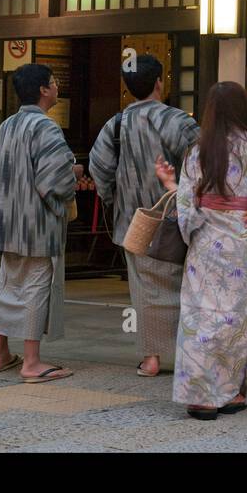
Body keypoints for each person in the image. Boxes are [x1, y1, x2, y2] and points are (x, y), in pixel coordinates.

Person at [157, 81, 247, 419]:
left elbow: (187, 199)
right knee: (238, 317)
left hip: (207, 240)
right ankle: (233, 392)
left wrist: (193, 222)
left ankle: (201, 396)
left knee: (200, 314)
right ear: (243, 108)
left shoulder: (200, 149)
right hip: (244, 239)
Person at [89, 52, 198, 377]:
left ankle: (151, 358)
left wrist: (114, 198)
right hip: (175, 219)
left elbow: (99, 167)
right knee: (183, 288)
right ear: (159, 83)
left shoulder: (117, 123)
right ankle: (188, 353)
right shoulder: (181, 121)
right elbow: (202, 164)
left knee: (143, 291)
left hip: (133, 222)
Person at [0, 63, 80, 383]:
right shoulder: (47, 128)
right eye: (53, 83)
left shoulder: (6, 126)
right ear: (43, 90)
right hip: (37, 224)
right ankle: (31, 362)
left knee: (8, 283)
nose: (57, 88)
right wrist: (74, 175)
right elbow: (54, 180)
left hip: (6, 220)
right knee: (36, 286)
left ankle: (0, 354)